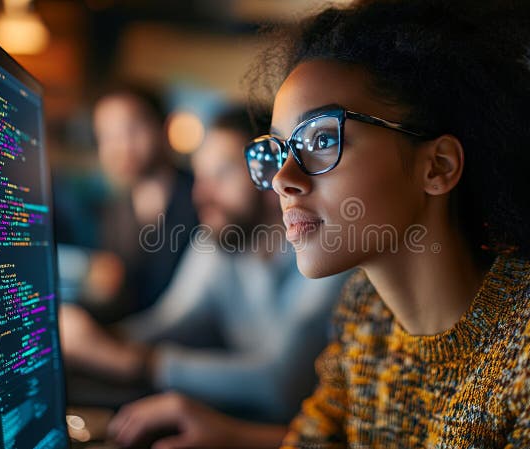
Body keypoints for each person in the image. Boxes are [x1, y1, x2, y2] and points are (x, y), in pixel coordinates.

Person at [234, 0, 530, 447]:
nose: (282, 179)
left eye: (321, 139)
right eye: (276, 151)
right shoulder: (366, 313)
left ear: (438, 167)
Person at [59, 107, 349, 446]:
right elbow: (170, 323)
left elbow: (281, 384)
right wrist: (95, 339)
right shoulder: (217, 242)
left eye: (222, 174)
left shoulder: (326, 254)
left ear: (271, 172)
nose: (201, 193)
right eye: (199, 176)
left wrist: (130, 362)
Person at [57, 84, 198, 322]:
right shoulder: (112, 215)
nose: (119, 147)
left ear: (163, 127)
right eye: (106, 136)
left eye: (131, 130)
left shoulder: (202, 198)